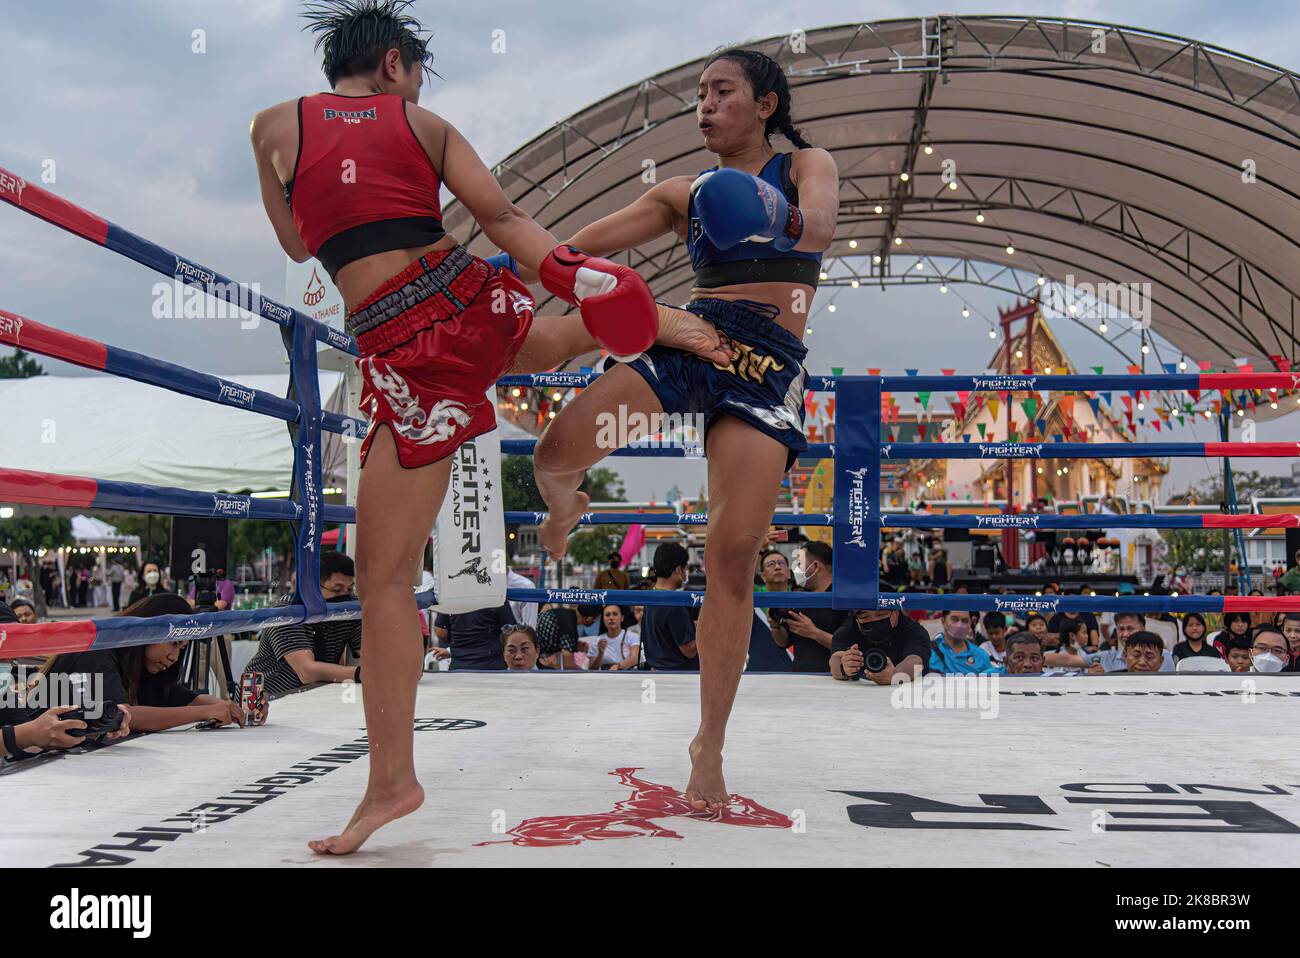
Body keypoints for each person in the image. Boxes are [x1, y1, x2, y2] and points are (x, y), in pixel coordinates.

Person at [253, 0, 717, 856]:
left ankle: (393, 779)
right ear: (394, 64)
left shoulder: (270, 128)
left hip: (400, 343)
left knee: (388, 579)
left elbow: (293, 244)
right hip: (454, 306)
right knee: (534, 346)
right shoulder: (424, 125)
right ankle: (661, 321)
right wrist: (574, 272)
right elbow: (503, 222)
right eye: (417, 71)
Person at [531, 47, 839, 809]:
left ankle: (709, 746)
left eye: (721, 91)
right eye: (698, 94)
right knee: (554, 452)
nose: (704, 106)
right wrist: (510, 264)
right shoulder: (681, 193)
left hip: (766, 366)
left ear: (765, 104)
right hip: (688, 337)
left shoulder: (806, 165)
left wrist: (766, 208)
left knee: (733, 552)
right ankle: (567, 503)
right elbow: (571, 254)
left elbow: (821, 231)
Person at [43, 594, 246, 733]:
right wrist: (205, 712)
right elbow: (125, 716)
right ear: (148, 631)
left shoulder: (140, 664)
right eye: (173, 643)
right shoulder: (97, 652)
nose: (174, 656)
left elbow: (179, 696)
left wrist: (228, 706)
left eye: (182, 648)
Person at [244, 551, 363, 696]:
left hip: (310, 697)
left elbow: (368, 652)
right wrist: (360, 674)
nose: (346, 594)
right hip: (264, 699)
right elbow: (306, 671)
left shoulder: (350, 609)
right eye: (337, 589)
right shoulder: (287, 611)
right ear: (312, 586)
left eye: (350, 588)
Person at [766, 542, 847, 673]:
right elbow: (784, 642)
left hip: (834, 678)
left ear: (815, 566)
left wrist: (813, 632)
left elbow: (850, 647)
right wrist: (775, 626)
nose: (796, 569)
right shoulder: (800, 597)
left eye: (799, 564)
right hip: (800, 676)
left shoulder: (844, 599)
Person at [638, 543, 699, 671]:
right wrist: (709, 630)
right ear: (678, 570)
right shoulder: (674, 605)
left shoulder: (651, 599)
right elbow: (689, 650)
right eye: (685, 568)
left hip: (657, 671)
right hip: (679, 677)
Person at [829, 610, 929, 684]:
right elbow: (835, 659)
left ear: (896, 612)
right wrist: (844, 666)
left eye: (881, 614)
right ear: (857, 620)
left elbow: (916, 661)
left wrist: (895, 674)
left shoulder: (914, 630)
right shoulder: (847, 630)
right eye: (865, 617)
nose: (874, 620)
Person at [435, 601, 516, 671]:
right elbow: (510, 632)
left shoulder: (451, 597)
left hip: (460, 666)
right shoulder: (496, 595)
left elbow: (441, 632)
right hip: (492, 666)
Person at [928, 609, 998, 675]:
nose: (959, 625)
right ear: (943, 621)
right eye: (954, 619)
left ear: (970, 623)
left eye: (965, 621)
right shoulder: (929, 651)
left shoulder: (981, 655)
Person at [589, 604, 639, 671]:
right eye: (607, 615)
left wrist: (618, 666)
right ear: (603, 619)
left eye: (615, 614)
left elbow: (635, 658)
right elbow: (592, 669)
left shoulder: (632, 636)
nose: (611, 618)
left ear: (622, 618)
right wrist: (600, 654)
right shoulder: (597, 641)